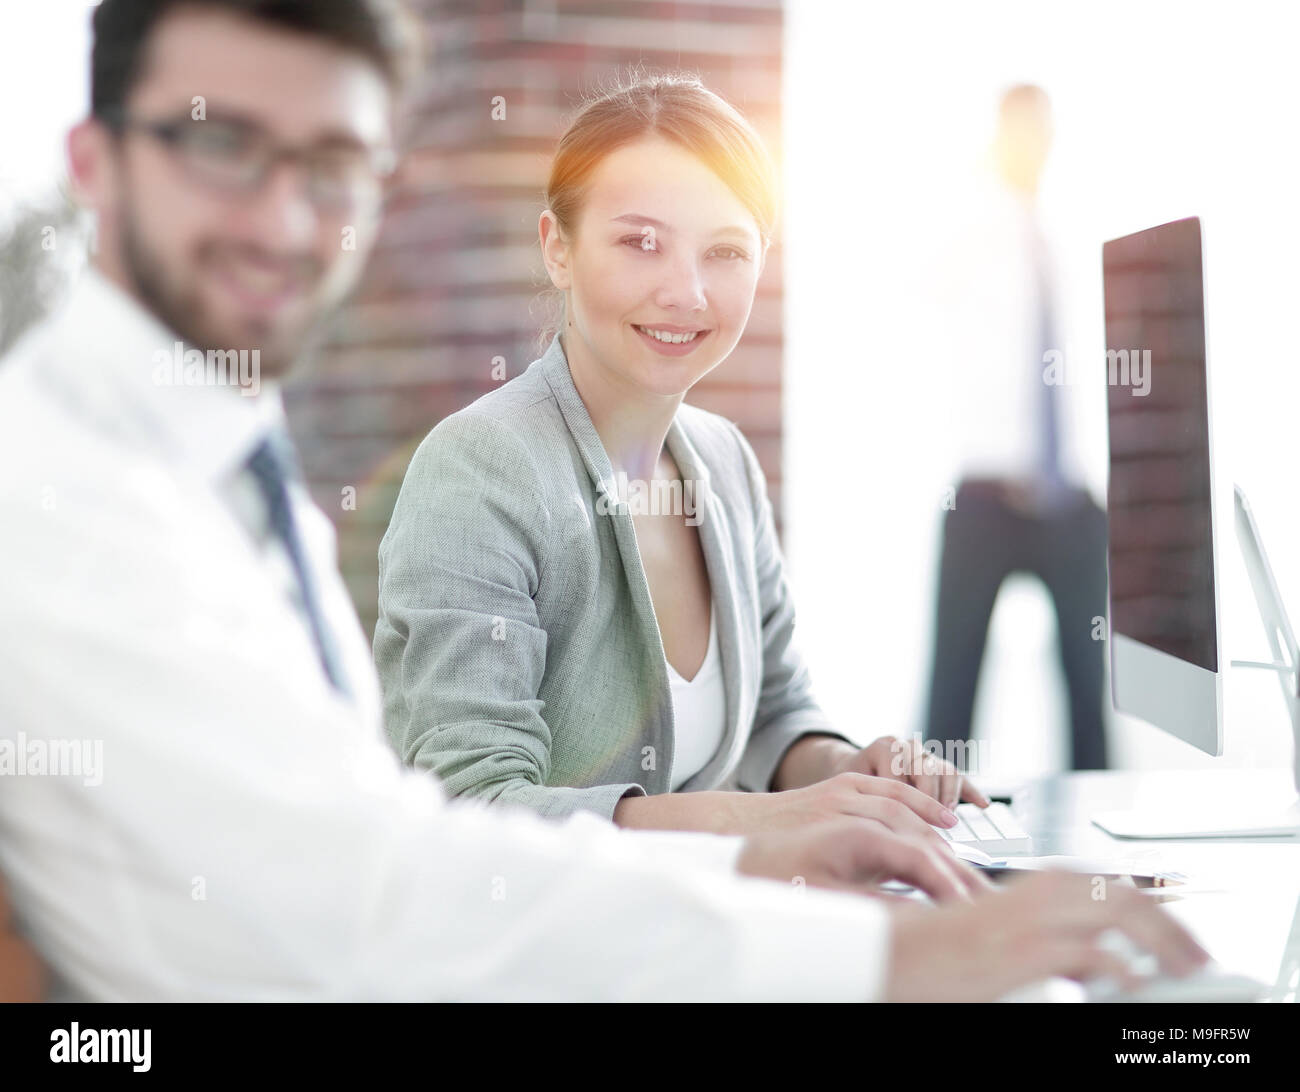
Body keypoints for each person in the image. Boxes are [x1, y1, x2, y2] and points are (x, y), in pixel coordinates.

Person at [0, 0, 1205, 1002]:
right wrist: (862, 932)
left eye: (332, 164)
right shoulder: (79, 501)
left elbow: (778, 702)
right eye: (222, 144)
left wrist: (850, 780)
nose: (283, 216)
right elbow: (392, 880)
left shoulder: (226, 451)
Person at [375, 75, 989, 839]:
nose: (687, 293)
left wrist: (851, 774)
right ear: (557, 248)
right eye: (641, 242)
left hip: (693, 937)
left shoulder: (721, 460)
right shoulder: (481, 469)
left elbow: (775, 711)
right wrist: (762, 822)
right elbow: (473, 807)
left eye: (726, 251)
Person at [923, 84, 1109, 771]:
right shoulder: (970, 225)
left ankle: (1103, 844)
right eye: (1020, 134)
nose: (1035, 147)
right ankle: (937, 835)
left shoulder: (1071, 231)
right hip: (984, 495)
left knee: (1092, 697)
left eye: (1044, 132)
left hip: (1071, 501)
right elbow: (924, 285)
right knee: (950, 697)